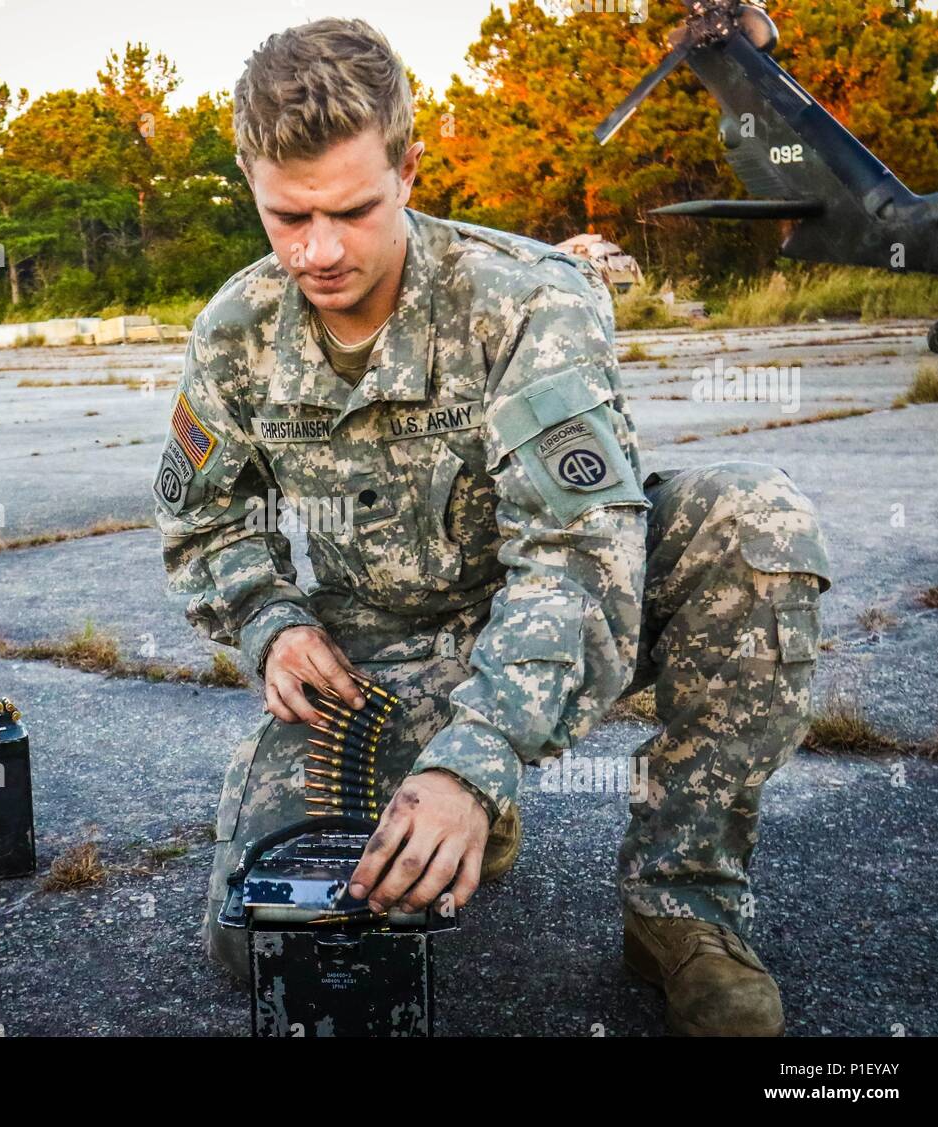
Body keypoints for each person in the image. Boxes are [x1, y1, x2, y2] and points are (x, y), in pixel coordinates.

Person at [152, 17, 830, 1036]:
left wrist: (473, 757)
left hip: (556, 614)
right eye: (287, 216)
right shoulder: (235, 331)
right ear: (250, 178)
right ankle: (469, 815)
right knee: (258, 938)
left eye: (351, 210)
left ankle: (680, 901)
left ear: (410, 171)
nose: (320, 250)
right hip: (376, 664)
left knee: (753, 517)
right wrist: (267, 618)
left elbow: (576, 555)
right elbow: (202, 521)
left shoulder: (526, 301)